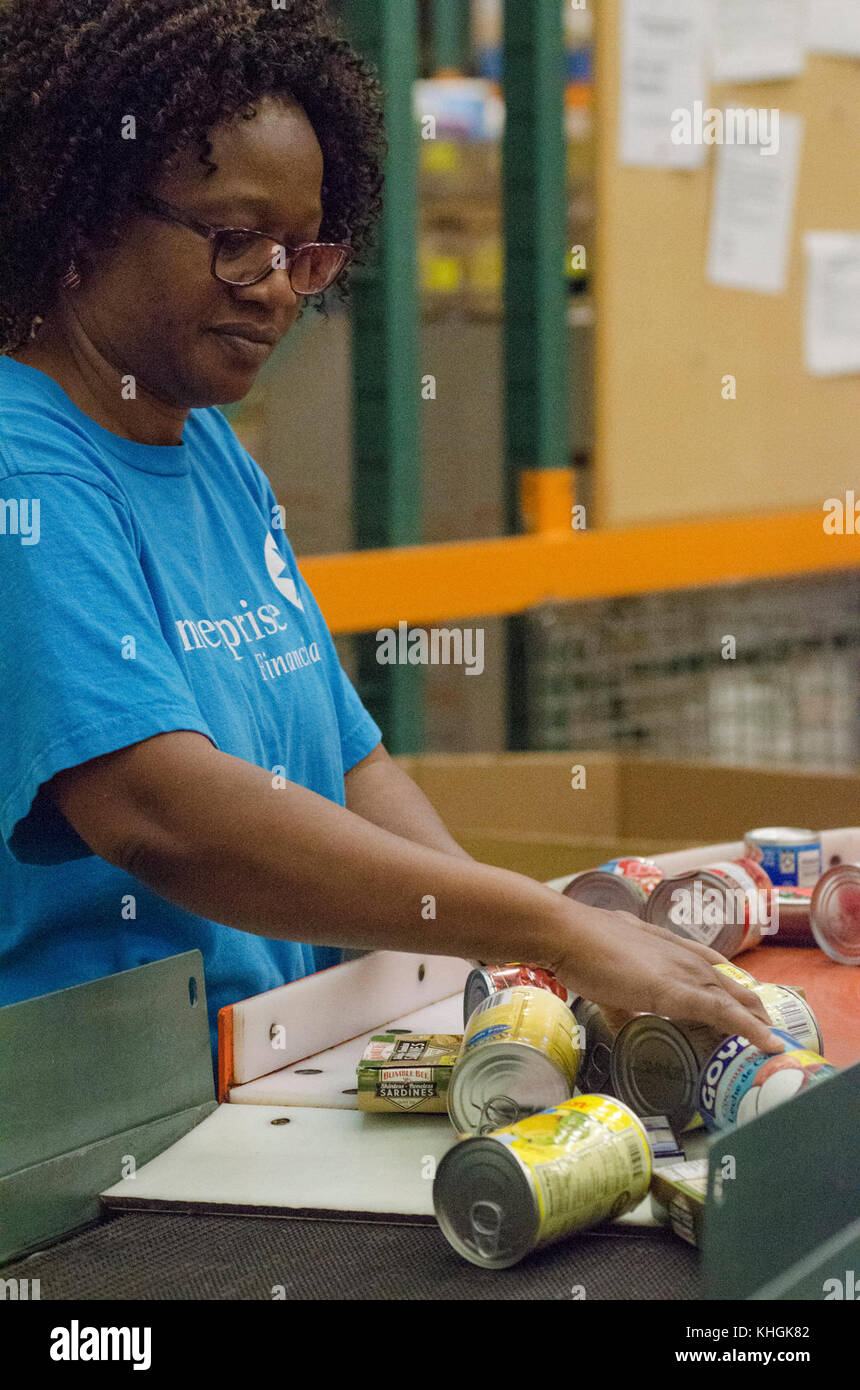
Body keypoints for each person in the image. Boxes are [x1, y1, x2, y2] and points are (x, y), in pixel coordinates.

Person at [0, 0, 782, 1062]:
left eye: (302, 252)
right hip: (86, 1132)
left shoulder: (204, 447)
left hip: (256, 1068)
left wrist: (514, 953)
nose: (277, 291)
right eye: (237, 243)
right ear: (85, 215)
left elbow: (346, 757)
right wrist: (544, 924)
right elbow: (159, 806)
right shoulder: (25, 470)